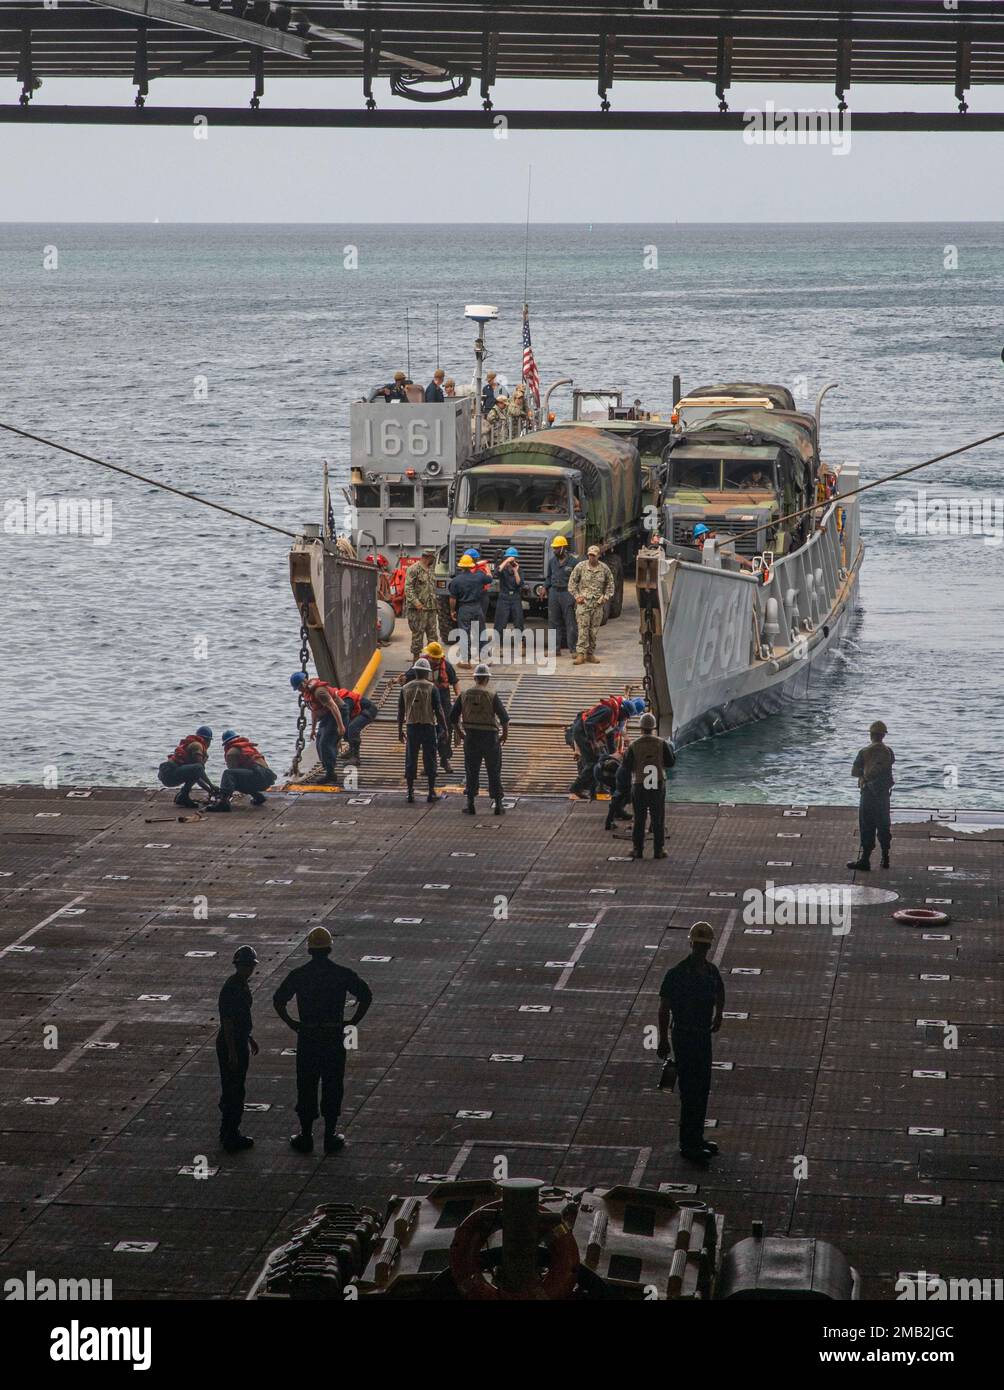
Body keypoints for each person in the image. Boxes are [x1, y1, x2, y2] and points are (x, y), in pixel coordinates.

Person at [273, 927, 372, 1155]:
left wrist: (293, 1023)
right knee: (332, 1083)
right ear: (329, 948)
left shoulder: (299, 975)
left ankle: (306, 1136)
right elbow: (366, 995)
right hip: (333, 1036)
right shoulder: (341, 973)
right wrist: (351, 1022)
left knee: (306, 1084)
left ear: (309, 949)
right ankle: (330, 1136)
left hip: (308, 1036)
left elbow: (278, 1000)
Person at [657, 921, 725, 1166]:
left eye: (704, 946)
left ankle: (697, 1137)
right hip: (684, 1036)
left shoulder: (710, 971)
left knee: (702, 1087)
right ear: (691, 944)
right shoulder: (677, 974)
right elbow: (664, 1009)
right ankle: (688, 1142)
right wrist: (663, 1039)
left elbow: (720, 991)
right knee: (690, 1090)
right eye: (699, 945)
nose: (701, 950)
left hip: (701, 1036)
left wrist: (719, 1014)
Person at [450, 663, 509, 815]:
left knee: (471, 771)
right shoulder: (491, 695)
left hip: (471, 737)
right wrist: (504, 734)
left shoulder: (464, 694)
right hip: (490, 737)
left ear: (475, 678)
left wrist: (461, 733)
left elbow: (452, 717)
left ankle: (470, 804)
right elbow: (504, 718)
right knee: (494, 771)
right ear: (487, 679)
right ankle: (498, 805)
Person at [216, 945, 259, 1153]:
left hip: (238, 1039)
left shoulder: (241, 984)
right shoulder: (233, 987)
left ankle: (226, 1131)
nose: (249, 969)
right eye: (245, 965)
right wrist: (232, 1052)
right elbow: (228, 1021)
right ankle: (231, 1135)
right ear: (238, 966)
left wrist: (248, 1038)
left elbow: (240, 1018)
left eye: (250, 965)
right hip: (230, 1042)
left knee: (233, 1087)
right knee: (234, 1089)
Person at [568, 695, 645, 798]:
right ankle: (575, 788)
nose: (625, 718)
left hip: (590, 735)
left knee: (599, 762)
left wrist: (612, 755)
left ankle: (592, 792)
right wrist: (594, 742)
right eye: (626, 715)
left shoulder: (614, 719)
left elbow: (609, 736)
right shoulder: (607, 711)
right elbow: (588, 723)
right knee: (593, 762)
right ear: (621, 710)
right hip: (581, 732)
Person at [623, 712, 676, 859]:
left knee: (639, 819)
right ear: (654, 727)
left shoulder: (634, 745)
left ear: (640, 728)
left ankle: (637, 850)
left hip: (639, 785)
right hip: (657, 785)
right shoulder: (661, 743)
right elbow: (671, 763)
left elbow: (626, 766)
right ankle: (659, 850)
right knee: (658, 819)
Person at [397, 656, 448, 803]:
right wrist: (444, 728)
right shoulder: (432, 688)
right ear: (427, 672)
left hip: (412, 727)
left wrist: (399, 730)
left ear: (415, 671)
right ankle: (431, 792)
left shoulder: (405, 688)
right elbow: (438, 710)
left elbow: (400, 711)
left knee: (411, 759)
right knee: (430, 759)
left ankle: (410, 792)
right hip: (428, 727)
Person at [847, 720, 895, 870]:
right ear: (883, 736)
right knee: (883, 824)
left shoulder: (864, 752)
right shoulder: (889, 751)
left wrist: (864, 775)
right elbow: (890, 764)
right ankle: (885, 858)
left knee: (867, 825)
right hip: (883, 795)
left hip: (868, 794)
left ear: (871, 735)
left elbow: (854, 772)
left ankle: (865, 859)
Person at [290, 672, 346, 784]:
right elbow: (314, 710)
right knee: (319, 743)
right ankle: (328, 767)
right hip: (327, 716)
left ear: (303, 683)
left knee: (325, 743)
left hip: (338, 713)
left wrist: (340, 726)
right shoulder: (308, 693)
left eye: (299, 688)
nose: (299, 691)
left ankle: (331, 773)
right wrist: (313, 729)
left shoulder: (319, 692)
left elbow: (334, 707)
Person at [206, 731, 277, 812]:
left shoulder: (231, 752)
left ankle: (223, 803)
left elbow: (231, 774)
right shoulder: (248, 747)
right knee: (238, 778)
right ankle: (258, 797)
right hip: (267, 778)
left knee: (228, 774)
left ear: (225, 744)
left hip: (258, 776)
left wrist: (222, 792)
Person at [568, 546, 615, 665]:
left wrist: (605, 597)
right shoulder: (581, 566)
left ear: (598, 556)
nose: (591, 557)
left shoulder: (604, 569)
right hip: (583, 603)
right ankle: (580, 654)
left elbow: (610, 585)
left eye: (594, 555)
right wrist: (577, 596)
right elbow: (572, 582)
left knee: (593, 630)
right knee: (582, 629)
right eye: (590, 555)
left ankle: (590, 654)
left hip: (597, 605)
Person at [448, 553, 492, 668]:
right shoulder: (479, 576)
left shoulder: (456, 580)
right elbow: (490, 579)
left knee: (464, 634)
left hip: (464, 609)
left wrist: (452, 611)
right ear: (472, 565)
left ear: (461, 566)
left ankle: (465, 661)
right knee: (481, 632)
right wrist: (486, 568)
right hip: (477, 608)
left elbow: (452, 598)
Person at [539, 536, 579, 656]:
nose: (554, 550)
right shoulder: (552, 562)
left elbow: (579, 580)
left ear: (563, 548)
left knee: (570, 622)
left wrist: (578, 596)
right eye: (554, 548)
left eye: (556, 548)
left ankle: (573, 649)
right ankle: (555, 649)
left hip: (568, 593)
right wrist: (544, 588)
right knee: (553, 622)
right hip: (554, 593)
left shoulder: (573, 562)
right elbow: (549, 578)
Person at [158, 726, 216, 808]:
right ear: (208, 740)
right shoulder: (197, 746)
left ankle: (182, 795)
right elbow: (199, 769)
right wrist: (212, 785)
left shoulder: (192, 743)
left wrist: (209, 790)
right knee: (198, 768)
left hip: (167, 775)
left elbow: (197, 776)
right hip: (170, 774)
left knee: (195, 771)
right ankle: (183, 796)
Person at [404, 549, 441, 660]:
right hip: (417, 610)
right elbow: (408, 588)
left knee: (433, 636)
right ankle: (416, 661)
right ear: (428, 557)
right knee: (417, 635)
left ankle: (433, 659)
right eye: (432, 559)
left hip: (431, 609)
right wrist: (417, 603)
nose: (433, 561)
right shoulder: (414, 569)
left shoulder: (431, 570)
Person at [331, 687, 379, 768]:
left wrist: (337, 739)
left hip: (368, 710)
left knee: (352, 728)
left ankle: (355, 757)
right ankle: (351, 751)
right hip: (358, 711)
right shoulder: (335, 699)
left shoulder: (346, 700)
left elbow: (345, 718)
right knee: (346, 727)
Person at [596, 754, 633, 830]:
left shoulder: (611, 760)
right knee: (625, 795)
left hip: (601, 771)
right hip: (618, 776)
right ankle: (618, 812)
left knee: (617, 797)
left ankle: (612, 818)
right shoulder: (622, 771)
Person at [494, 547, 524, 640]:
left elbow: (519, 583)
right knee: (500, 621)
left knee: (518, 621)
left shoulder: (519, 570)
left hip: (515, 597)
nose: (512, 561)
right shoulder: (503, 570)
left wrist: (515, 571)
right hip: (504, 596)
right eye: (510, 558)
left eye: (513, 558)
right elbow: (496, 572)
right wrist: (506, 561)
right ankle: (499, 642)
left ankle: (521, 641)